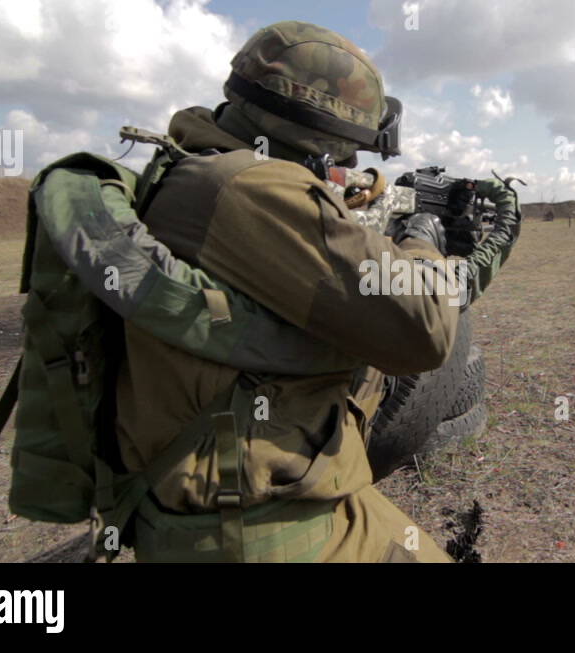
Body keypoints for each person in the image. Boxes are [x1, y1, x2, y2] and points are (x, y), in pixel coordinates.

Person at [115, 20, 465, 562]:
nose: (346, 164)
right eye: (338, 149)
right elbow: (424, 330)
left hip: (249, 485)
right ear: (308, 136)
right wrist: (423, 242)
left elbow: (301, 231)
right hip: (253, 527)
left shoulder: (195, 165)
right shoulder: (248, 187)